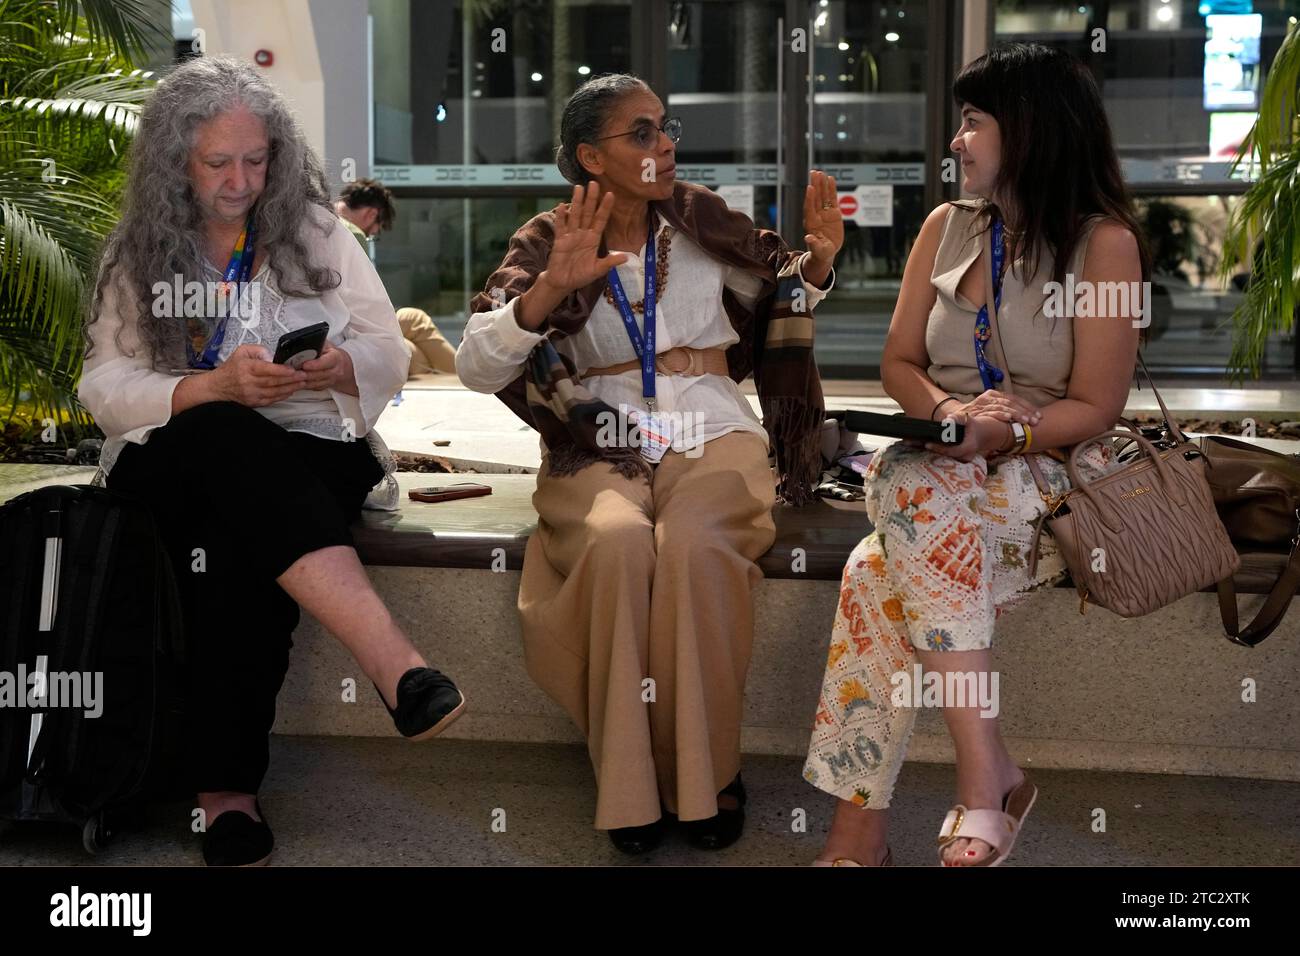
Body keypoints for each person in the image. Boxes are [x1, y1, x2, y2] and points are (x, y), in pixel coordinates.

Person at [77, 55, 466, 867]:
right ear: (175, 159)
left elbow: (384, 344)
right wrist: (210, 385)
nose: (241, 180)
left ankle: (226, 798)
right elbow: (105, 384)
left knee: (233, 550)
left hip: (309, 442)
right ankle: (396, 666)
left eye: (256, 160)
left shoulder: (317, 229)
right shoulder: (139, 250)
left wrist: (342, 368)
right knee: (221, 433)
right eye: (219, 162)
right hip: (177, 448)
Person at [456, 73, 841, 854]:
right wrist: (544, 298)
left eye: (665, 128)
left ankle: (709, 778)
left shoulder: (702, 219)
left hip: (712, 426)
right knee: (618, 542)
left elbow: (779, 299)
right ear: (590, 158)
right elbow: (476, 365)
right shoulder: (546, 241)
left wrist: (820, 267)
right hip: (597, 436)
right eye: (641, 133)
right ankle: (628, 785)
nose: (663, 144)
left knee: (697, 547)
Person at [802, 42, 1149, 867]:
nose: (956, 140)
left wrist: (1007, 432)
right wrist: (954, 414)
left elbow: (1099, 405)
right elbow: (898, 364)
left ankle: (882, 828)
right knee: (908, 509)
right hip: (946, 468)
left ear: (1028, 130)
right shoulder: (945, 228)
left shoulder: (1105, 246)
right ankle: (986, 779)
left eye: (972, 121)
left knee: (876, 565)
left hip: (1051, 479)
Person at [336, 178, 458, 377]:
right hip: (349, 332)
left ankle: (460, 382)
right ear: (371, 214)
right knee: (415, 319)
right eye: (375, 233)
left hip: (336, 328)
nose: (372, 235)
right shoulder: (351, 233)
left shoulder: (320, 218)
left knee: (411, 351)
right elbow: (362, 302)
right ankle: (466, 383)